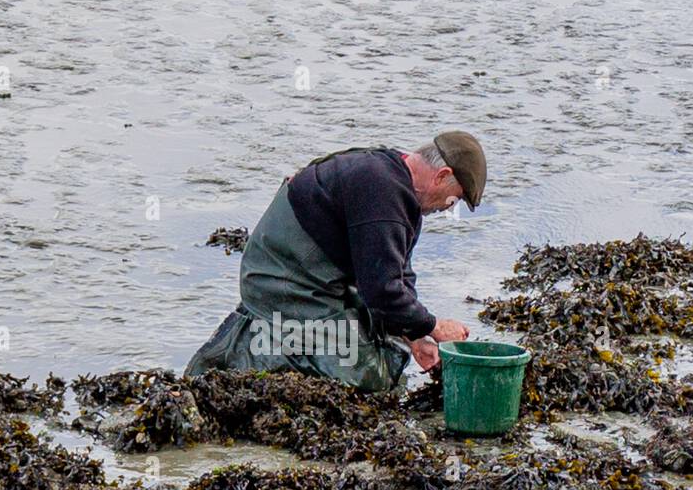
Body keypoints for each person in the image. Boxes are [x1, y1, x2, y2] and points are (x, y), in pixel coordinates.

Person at [185, 131, 487, 392]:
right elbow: (382, 291)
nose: (449, 209)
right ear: (442, 175)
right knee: (368, 375)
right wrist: (435, 327)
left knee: (385, 343)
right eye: (455, 199)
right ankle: (249, 361)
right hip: (279, 277)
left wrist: (416, 338)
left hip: (318, 274)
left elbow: (396, 279)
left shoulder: (397, 183)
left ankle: (276, 339)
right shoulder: (381, 191)